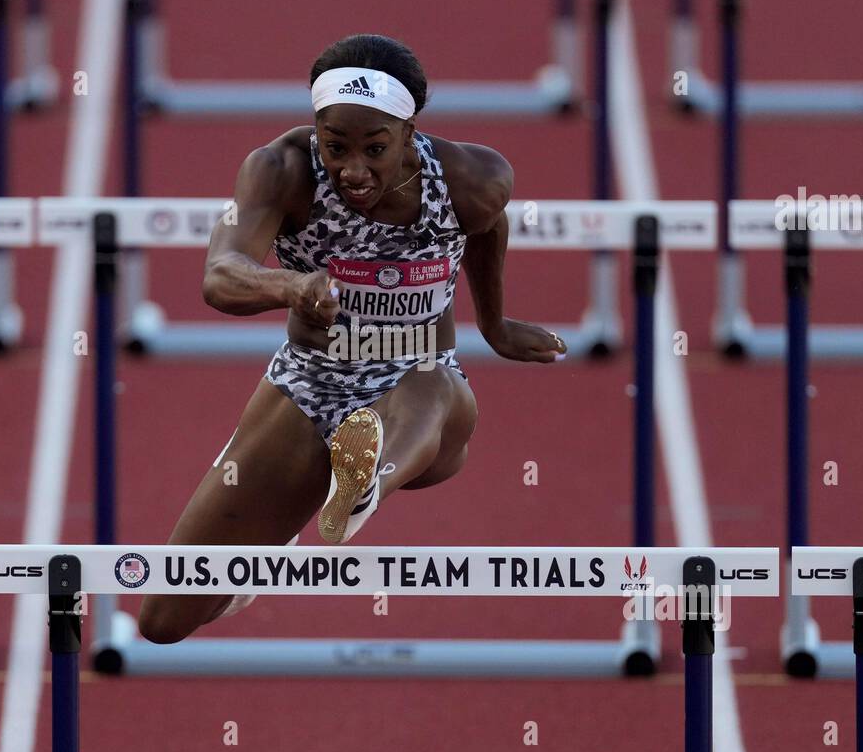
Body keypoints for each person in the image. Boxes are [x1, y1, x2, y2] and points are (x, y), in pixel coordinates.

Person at [138, 34, 566, 644]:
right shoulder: (281, 170)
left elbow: (487, 226)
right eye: (335, 147)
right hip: (313, 382)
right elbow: (220, 275)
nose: (353, 170)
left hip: (420, 387)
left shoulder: (471, 178)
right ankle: (301, 514)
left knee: (431, 383)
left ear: (410, 132)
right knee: (165, 619)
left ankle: (364, 483)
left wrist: (494, 326)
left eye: (375, 148)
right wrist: (288, 285)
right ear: (316, 129)